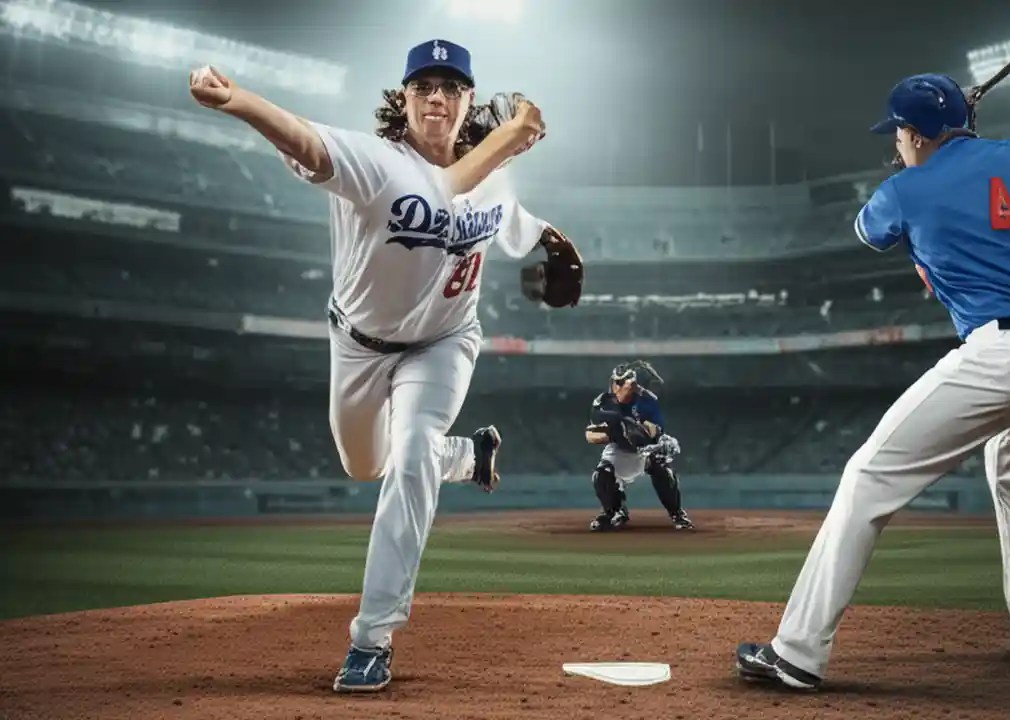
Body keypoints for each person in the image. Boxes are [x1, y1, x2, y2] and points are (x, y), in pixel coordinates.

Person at [189, 38, 575, 693]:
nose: (437, 97)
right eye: (424, 86)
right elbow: (308, 143)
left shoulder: (492, 174)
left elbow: (515, 221)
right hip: (359, 348)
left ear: (467, 100)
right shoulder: (375, 162)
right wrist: (238, 102)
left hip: (444, 344)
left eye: (451, 87)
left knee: (412, 451)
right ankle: (468, 457)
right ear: (404, 97)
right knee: (364, 465)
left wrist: (557, 243)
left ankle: (372, 638)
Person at [736, 73, 1010, 689]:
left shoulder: (902, 190)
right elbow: (991, 180)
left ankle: (795, 653)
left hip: (1001, 351)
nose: (895, 144)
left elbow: (869, 230)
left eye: (899, 133)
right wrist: (954, 136)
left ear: (914, 133)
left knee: (867, 477)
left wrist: (927, 160)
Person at [585, 360, 694, 531]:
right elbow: (591, 435)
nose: (617, 386)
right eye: (616, 382)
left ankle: (677, 513)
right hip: (619, 448)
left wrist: (647, 435)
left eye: (622, 382)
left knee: (662, 467)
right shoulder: (602, 403)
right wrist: (615, 433)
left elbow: (653, 429)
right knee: (601, 475)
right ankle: (613, 511)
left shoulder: (647, 400)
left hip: (644, 449)